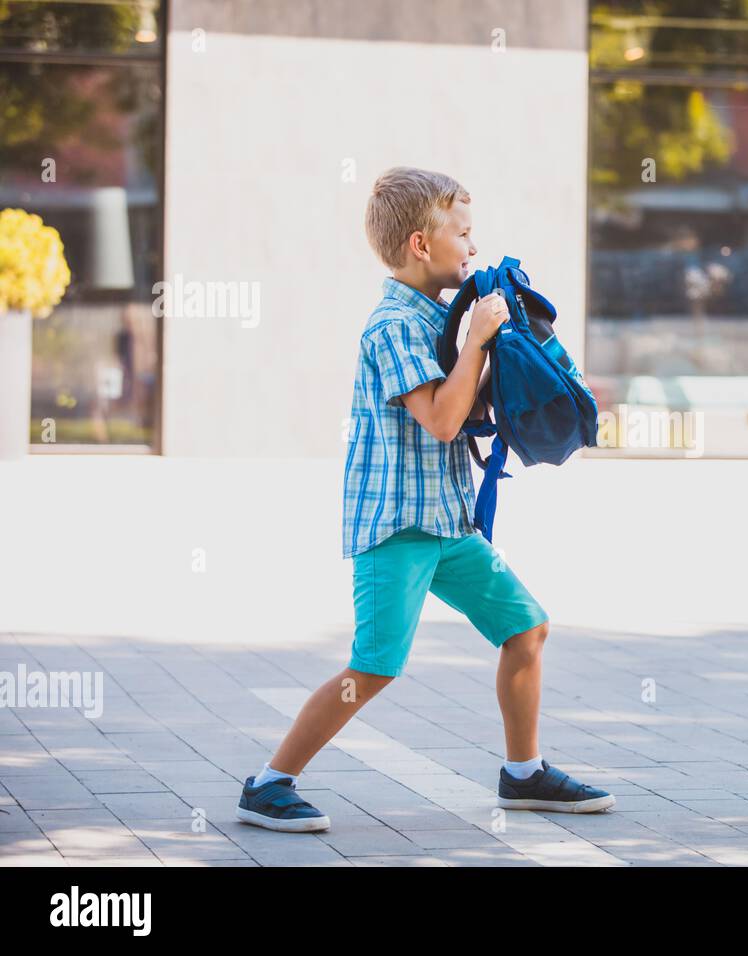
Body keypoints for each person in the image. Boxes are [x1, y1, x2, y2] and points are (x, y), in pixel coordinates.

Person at [236, 167, 614, 832]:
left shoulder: (438, 316)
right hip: (399, 525)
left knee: (526, 630)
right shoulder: (393, 326)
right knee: (375, 664)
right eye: (462, 234)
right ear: (419, 244)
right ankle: (270, 783)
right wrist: (475, 342)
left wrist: (515, 347)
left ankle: (522, 774)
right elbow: (440, 418)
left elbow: (470, 408)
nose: (473, 247)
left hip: (447, 522)